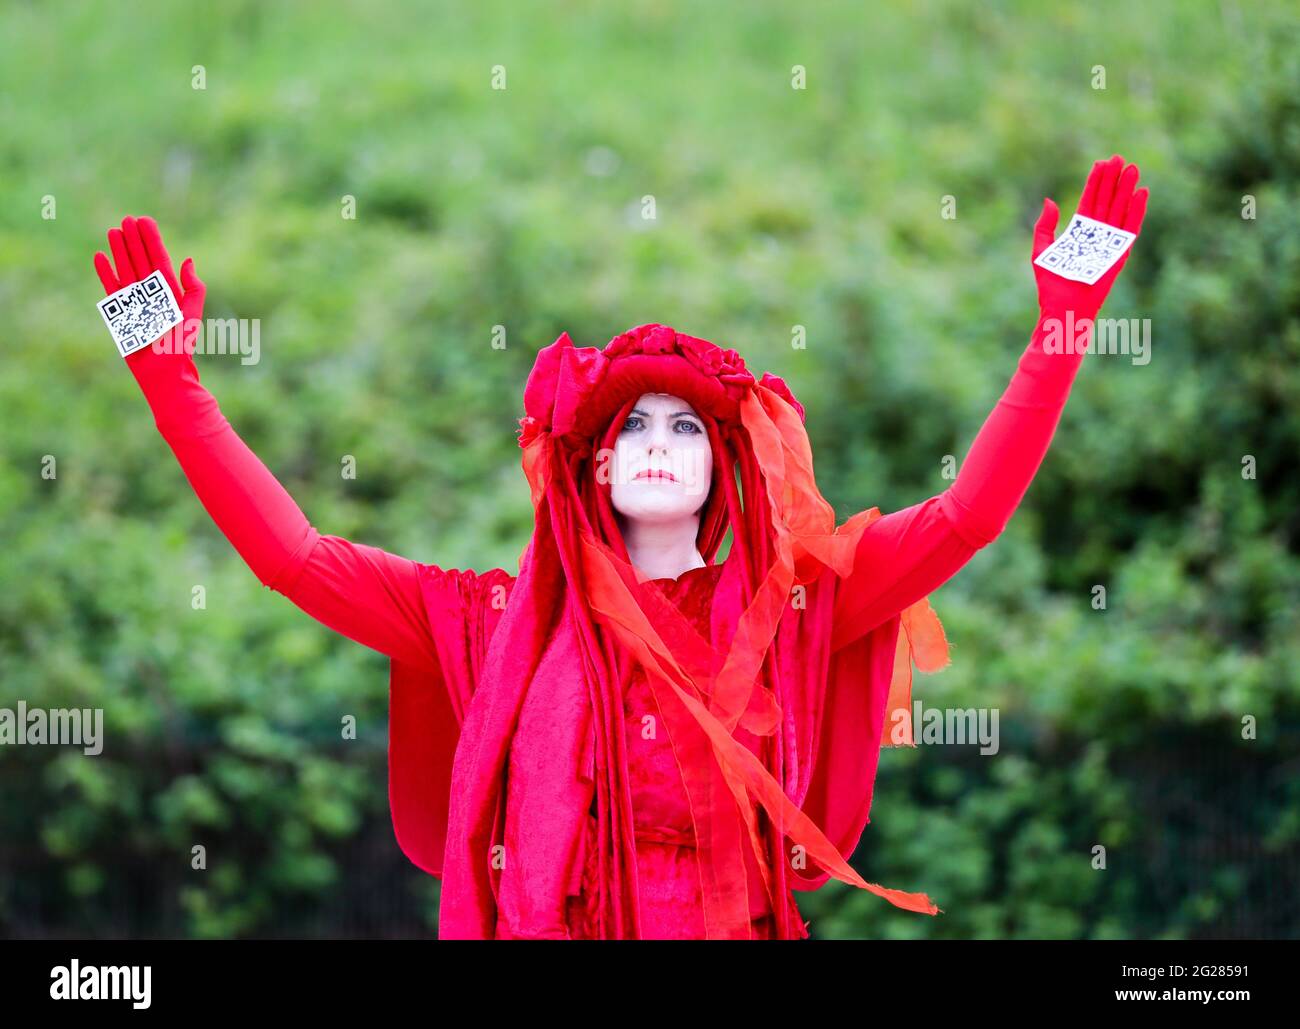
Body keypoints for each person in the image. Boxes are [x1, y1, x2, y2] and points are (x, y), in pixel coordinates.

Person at [93, 155, 1148, 939]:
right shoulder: (489, 619)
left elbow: (970, 514)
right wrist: (175, 388)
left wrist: (1061, 328)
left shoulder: (799, 603)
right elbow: (294, 558)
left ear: (722, 474)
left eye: (684, 426)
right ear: (591, 468)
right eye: (631, 427)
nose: (656, 443)